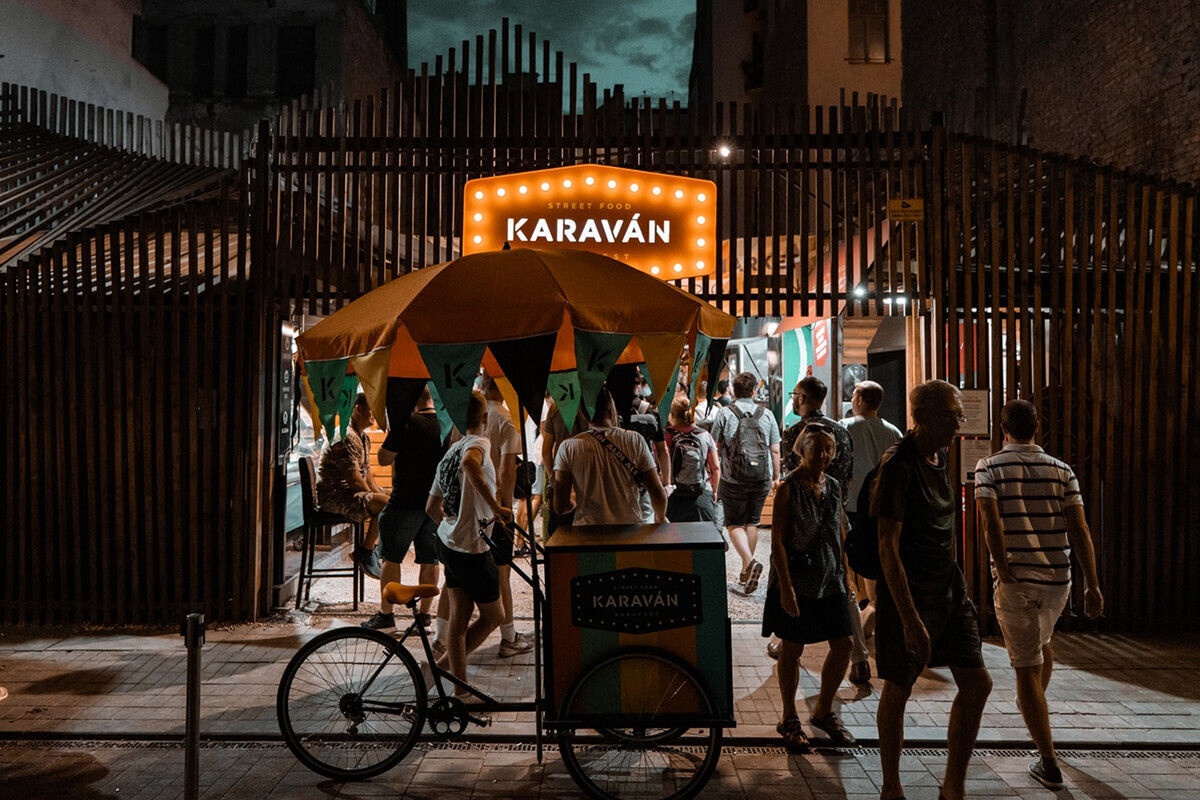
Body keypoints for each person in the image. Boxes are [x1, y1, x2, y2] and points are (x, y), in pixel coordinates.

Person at [975, 398, 1104, 790]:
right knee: (1041, 646)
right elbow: (1079, 529)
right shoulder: (1062, 470)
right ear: (1038, 431)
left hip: (1019, 582)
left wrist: (1004, 569)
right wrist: (1093, 583)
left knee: (1026, 668)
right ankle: (1034, 706)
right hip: (1058, 581)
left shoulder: (989, 467)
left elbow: (990, 522)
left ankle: (1048, 762)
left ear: (1003, 429)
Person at [872, 380, 991, 800]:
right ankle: (890, 785)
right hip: (909, 592)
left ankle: (952, 787)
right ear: (921, 418)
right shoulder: (898, 464)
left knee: (977, 683)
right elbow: (886, 545)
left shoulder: (941, 456)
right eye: (950, 415)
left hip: (948, 589)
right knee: (899, 685)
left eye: (959, 414)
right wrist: (909, 619)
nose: (958, 423)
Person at [770, 376, 869, 683]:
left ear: (802, 398)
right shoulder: (842, 428)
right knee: (842, 583)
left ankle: (787, 640)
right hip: (839, 510)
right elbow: (849, 472)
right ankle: (860, 657)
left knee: (804, 585)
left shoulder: (795, 432)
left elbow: (792, 476)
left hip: (806, 518)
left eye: (794, 395)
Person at [766, 424, 857, 752]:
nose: (822, 455)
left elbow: (840, 533)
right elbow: (777, 540)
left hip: (830, 578)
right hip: (798, 580)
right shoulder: (789, 487)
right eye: (816, 449)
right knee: (792, 647)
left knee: (844, 643)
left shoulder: (833, 486)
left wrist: (847, 576)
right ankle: (789, 717)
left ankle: (823, 711)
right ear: (801, 451)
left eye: (828, 450)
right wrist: (786, 588)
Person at [425, 391, 512, 690]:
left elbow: (430, 508)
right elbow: (471, 466)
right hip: (473, 549)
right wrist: (497, 507)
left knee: (459, 620)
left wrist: (453, 526)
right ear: (485, 418)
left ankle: (457, 687)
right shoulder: (479, 444)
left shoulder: (447, 453)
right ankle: (444, 671)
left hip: (448, 543)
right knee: (495, 616)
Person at [361, 387, 444, 633]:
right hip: (433, 503)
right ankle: (424, 618)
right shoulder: (445, 425)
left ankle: (387, 616)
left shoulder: (406, 424)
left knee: (391, 558)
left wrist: (393, 432)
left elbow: (384, 459)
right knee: (431, 559)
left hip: (404, 502)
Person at [841, 380, 903, 663]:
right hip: (882, 505)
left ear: (861, 399)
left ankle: (862, 610)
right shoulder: (893, 432)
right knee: (876, 558)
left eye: (854, 394)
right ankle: (873, 607)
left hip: (853, 502)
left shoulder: (845, 426)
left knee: (850, 559)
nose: (852, 398)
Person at [553, 385, 667, 525]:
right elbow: (658, 494)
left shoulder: (568, 447)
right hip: (628, 532)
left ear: (583, 414)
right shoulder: (635, 440)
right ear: (611, 411)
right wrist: (660, 519)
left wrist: (579, 499)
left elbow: (560, 506)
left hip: (587, 535)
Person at [710, 372, 781, 595]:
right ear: (753, 391)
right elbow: (775, 449)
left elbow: (714, 444)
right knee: (753, 522)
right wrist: (776, 476)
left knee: (733, 523)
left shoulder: (724, 413)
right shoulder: (767, 414)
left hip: (733, 478)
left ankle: (749, 563)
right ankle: (745, 569)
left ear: (733, 390)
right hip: (761, 477)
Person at [480, 374, 534, 657]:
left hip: (471, 508)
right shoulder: (506, 419)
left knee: (463, 578)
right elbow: (507, 469)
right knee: (502, 573)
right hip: (496, 508)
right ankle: (509, 636)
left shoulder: (472, 416)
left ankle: (444, 639)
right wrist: (506, 507)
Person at [316, 393, 389, 579]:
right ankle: (366, 551)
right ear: (358, 410)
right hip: (335, 497)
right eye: (373, 408)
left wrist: (380, 493)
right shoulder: (346, 436)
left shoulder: (362, 437)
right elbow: (355, 480)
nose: (377, 413)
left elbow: (368, 475)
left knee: (391, 497)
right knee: (386, 504)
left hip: (348, 493)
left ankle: (375, 546)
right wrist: (377, 499)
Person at [664, 397, 720, 523]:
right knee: (703, 537)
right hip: (701, 492)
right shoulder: (704, 435)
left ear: (672, 414)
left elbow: (660, 465)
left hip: (673, 494)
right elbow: (715, 467)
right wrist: (715, 491)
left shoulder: (666, 436)